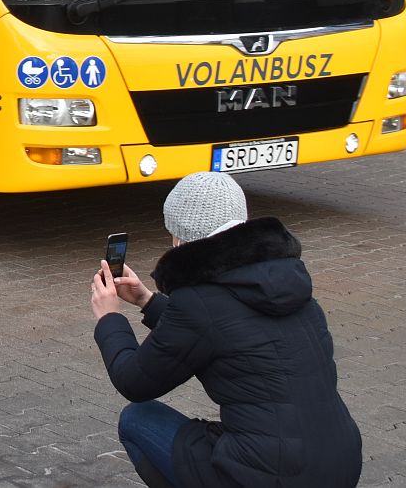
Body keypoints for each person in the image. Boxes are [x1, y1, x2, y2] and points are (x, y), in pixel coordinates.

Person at [89, 171, 361, 488]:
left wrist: (110, 318)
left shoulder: (198, 302)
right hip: (340, 463)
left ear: (180, 237)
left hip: (272, 477)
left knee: (138, 419)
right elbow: (222, 325)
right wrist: (146, 300)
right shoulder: (289, 282)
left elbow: (134, 382)